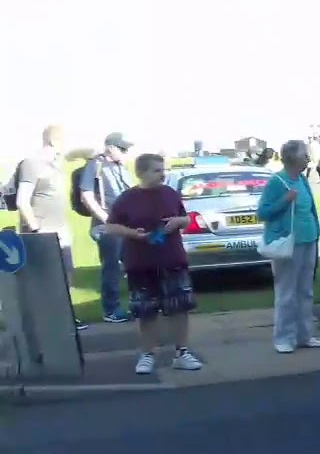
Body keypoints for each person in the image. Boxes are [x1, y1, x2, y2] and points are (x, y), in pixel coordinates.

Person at [103, 153, 203, 375]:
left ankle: (182, 352)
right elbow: (110, 227)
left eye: (162, 169)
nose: (162, 174)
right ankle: (148, 354)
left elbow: (185, 218)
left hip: (173, 260)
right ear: (142, 173)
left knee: (180, 309)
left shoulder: (170, 193)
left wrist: (178, 221)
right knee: (146, 312)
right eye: (156, 170)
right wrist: (133, 233)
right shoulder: (127, 198)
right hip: (141, 263)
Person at [15, 125, 86, 331]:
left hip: (60, 230)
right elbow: (22, 201)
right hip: (42, 232)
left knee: (66, 276)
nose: (65, 147)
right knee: (43, 281)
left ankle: (65, 319)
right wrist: (36, 230)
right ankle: (46, 324)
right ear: (54, 141)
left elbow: (83, 153)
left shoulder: (55, 166)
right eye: (63, 141)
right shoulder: (32, 164)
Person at [257, 139, 320, 354]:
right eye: (304, 155)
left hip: (309, 240)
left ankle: (305, 335)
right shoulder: (277, 181)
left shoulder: (303, 180)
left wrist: (316, 233)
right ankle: (283, 338)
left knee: (306, 291)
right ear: (292, 158)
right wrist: (285, 200)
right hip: (287, 244)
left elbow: (310, 209)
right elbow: (263, 212)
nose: (307, 158)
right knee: (287, 292)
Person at [80, 132, 136, 324]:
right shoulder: (95, 165)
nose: (125, 152)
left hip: (126, 225)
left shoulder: (121, 167)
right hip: (107, 227)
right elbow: (86, 195)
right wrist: (106, 219)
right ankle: (111, 310)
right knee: (111, 268)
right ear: (110, 147)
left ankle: (136, 304)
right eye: (122, 149)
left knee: (134, 265)